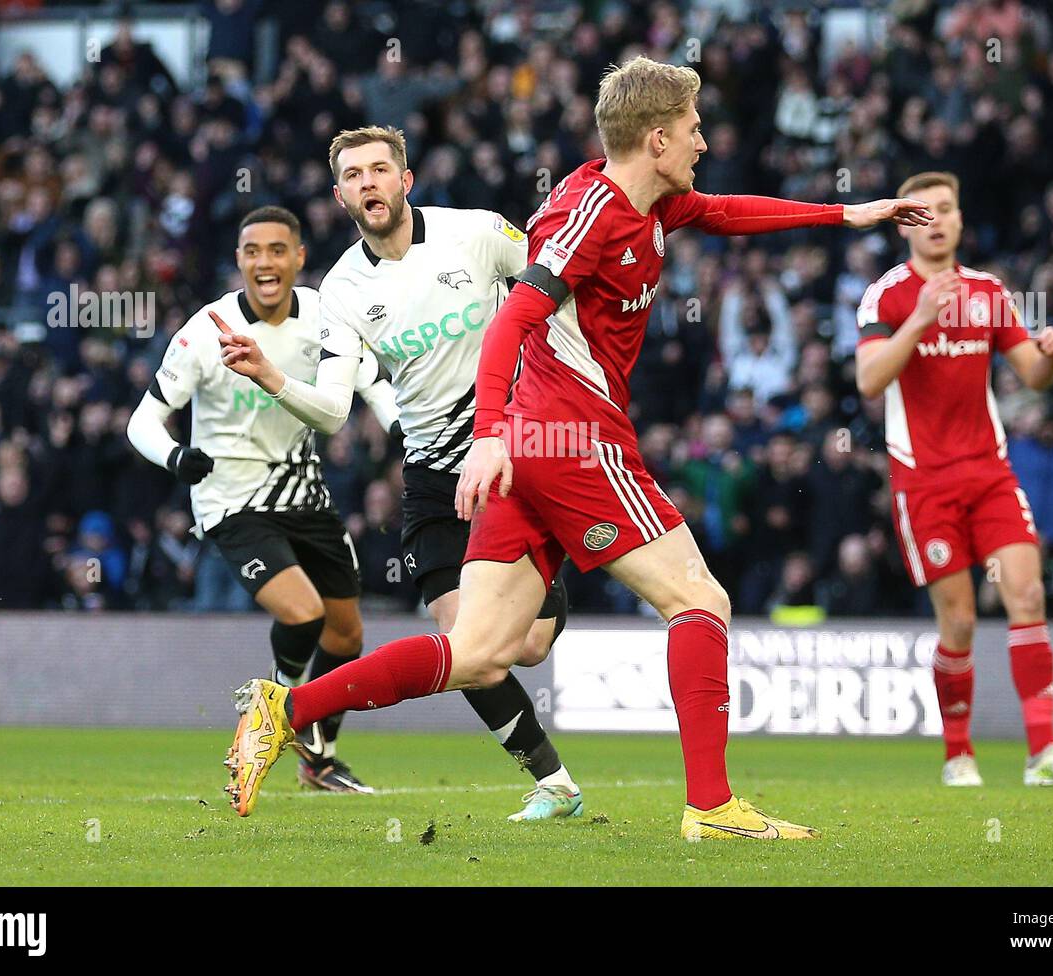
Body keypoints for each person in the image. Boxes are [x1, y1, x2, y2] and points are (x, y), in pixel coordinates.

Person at [226, 56, 930, 839]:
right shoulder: (589, 214)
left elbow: (726, 211)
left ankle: (286, 707)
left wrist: (845, 217)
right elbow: (511, 321)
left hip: (534, 444)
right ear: (657, 137)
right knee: (700, 599)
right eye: (694, 128)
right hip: (571, 436)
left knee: (482, 653)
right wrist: (489, 434)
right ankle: (712, 806)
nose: (703, 140)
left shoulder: (647, 199)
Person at [216, 126, 582, 822]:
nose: (368, 183)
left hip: (510, 463)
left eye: (380, 170)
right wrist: (269, 377)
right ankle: (555, 783)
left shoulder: (476, 234)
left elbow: (555, 286)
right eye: (353, 175)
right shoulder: (342, 293)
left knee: (528, 645)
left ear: (406, 180)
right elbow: (330, 409)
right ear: (340, 195)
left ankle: (539, 601)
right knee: (469, 645)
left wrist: (560, 381)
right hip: (435, 484)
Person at [129, 206, 399, 792]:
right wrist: (174, 456)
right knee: (303, 613)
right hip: (231, 499)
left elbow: (372, 380)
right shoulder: (205, 330)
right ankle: (265, 722)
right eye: (254, 251)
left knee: (347, 636)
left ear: (298, 258)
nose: (265, 261)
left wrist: (400, 427)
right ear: (240, 262)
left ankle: (318, 759)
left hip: (305, 493)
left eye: (278, 249)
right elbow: (143, 422)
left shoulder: (326, 317)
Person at [855, 171, 1053, 788]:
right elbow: (868, 381)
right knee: (958, 622)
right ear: (905, 224)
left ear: (960, 220)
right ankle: (957, 754)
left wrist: (1048, 355)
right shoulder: (885, 296)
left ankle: (1043, 751)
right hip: (924, 481)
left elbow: (1032, 378)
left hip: (989, 472)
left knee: (1029, 596)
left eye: (946, 209)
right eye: (922, 211)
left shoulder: (990, 293)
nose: (936, 220)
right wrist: (919, 321)